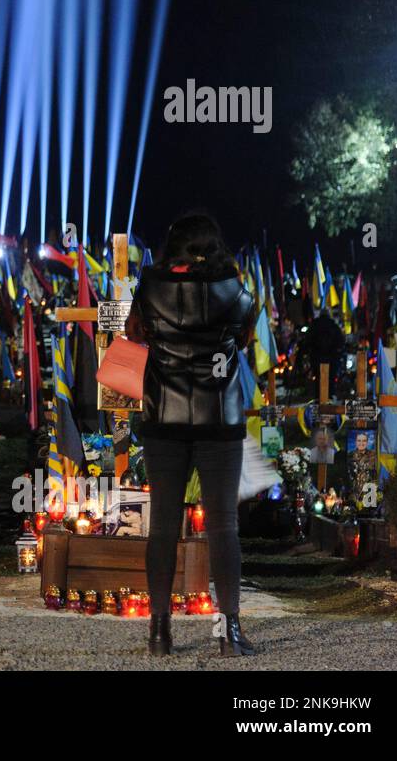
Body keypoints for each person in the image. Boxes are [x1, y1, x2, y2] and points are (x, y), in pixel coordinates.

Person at [125, 213, 257, 657]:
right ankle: (229, 633)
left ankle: (159, 634)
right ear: (214, 247)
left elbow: (133, 334)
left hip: (164, 418)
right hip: (219, 419)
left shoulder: (149, 288)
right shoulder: (235, 293)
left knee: (162, 525)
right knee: (223, 525)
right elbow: (242, 340)